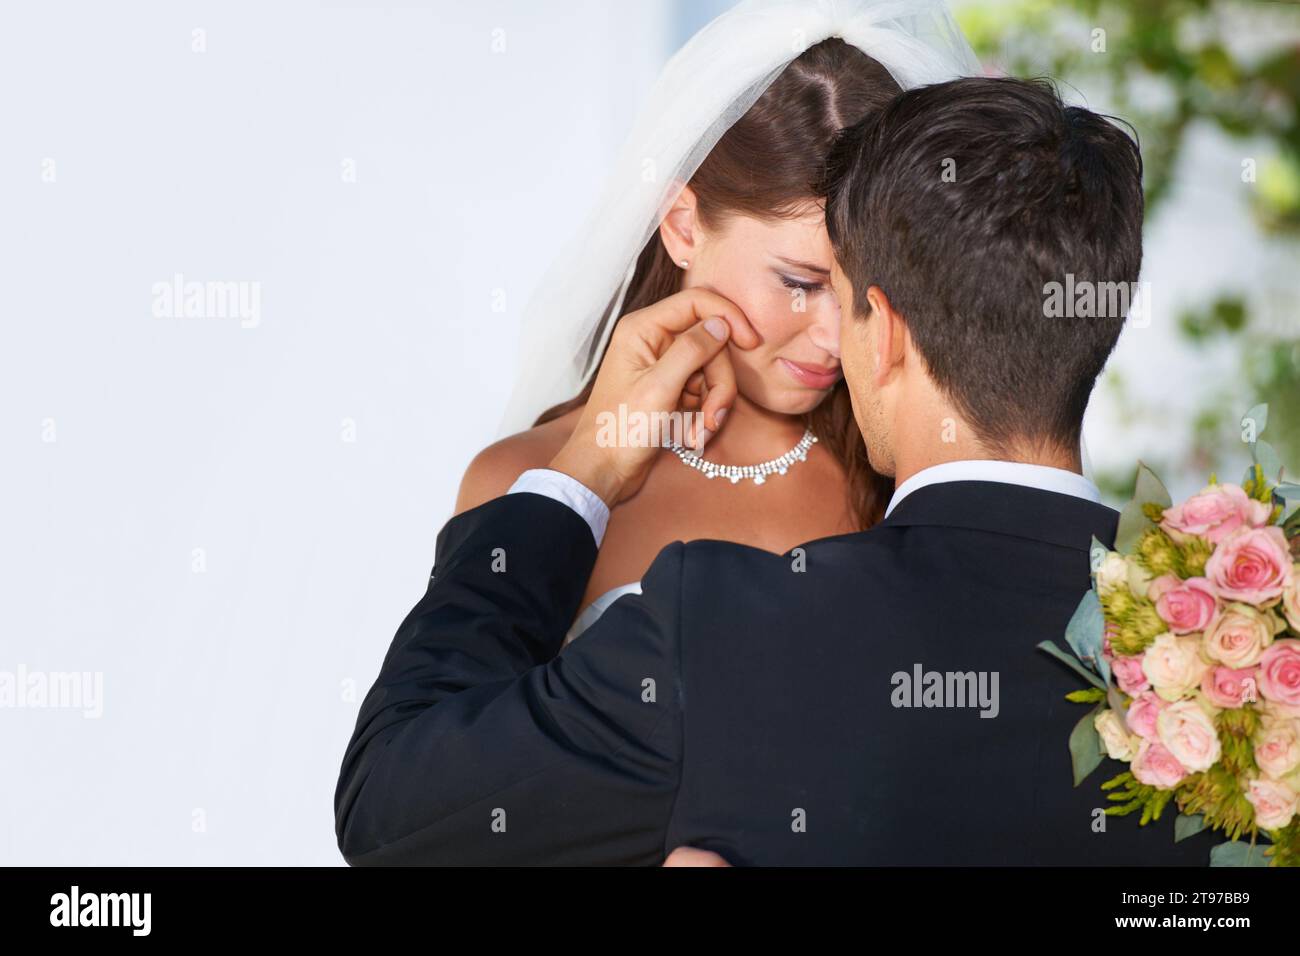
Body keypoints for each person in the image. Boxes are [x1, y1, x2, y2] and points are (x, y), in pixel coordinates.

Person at [334, 75, 1218, 865]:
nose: (831, 337)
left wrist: (586, 476)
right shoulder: (1242, 658)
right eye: (801, 281)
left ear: (891, 331)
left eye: (847, 294)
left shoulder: (719, 632)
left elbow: (393, 806)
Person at [457, 0, 980, 640]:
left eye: (863, 297)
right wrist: (588, 474)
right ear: (683, 226)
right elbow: (443, 730)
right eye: (799, 282)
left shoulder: (909, 478)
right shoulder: (522, 485)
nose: (835, 338)